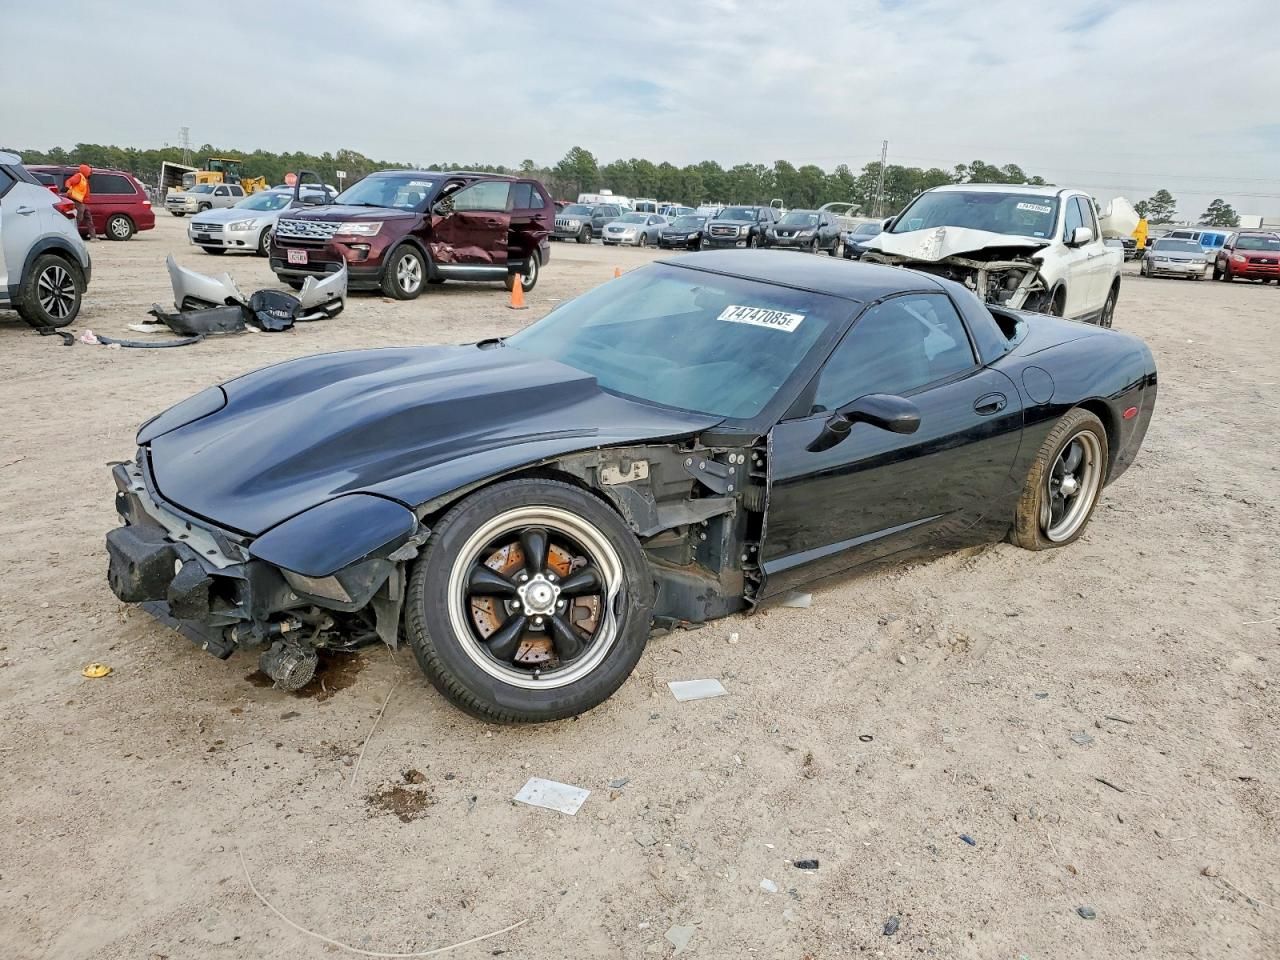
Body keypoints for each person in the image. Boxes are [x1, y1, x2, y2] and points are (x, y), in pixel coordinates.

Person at [65, 164, 95, 241]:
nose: (90, 173)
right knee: (79, 218)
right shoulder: (79, 176)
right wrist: (67, 187)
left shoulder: (84, 179)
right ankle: (72, 234)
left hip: (81, 201)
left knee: (88, 217)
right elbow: (69, 181)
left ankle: (93, 236)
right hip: (76, 200)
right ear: (86, 171)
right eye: (90, 172)